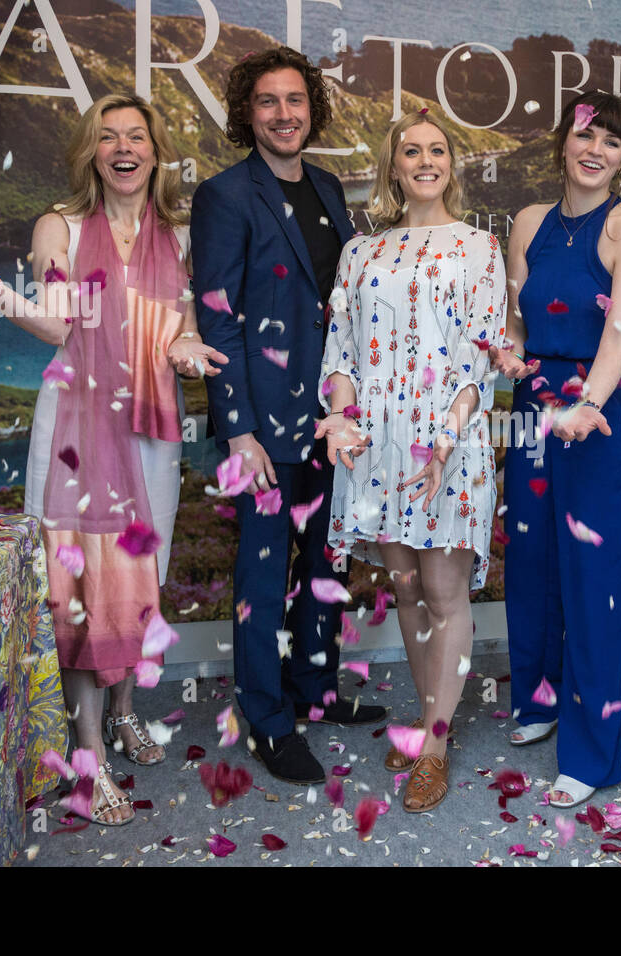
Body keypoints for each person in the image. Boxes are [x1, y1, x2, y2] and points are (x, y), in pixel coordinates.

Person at [0, 93, 225, 826]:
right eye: (108, 137)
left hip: (153, 436)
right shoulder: (60, 225)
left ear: (156, 149)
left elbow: (181, 326)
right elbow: (56, 322)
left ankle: (127, 710)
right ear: (91, 152)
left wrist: (186, 347)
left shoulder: (181, 234)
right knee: (84, 601)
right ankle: (88, 757)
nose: (123, 147)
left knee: (140, 589)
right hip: (78, 433)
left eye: (137, 135)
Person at [191, 47, 385, 787]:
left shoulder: (330, 188)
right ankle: (269, 721)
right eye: (268, 101)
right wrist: (237, 431)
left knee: (324, 563)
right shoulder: (225, 196)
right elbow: (218, 320)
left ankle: (315, 690)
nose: (283, 114)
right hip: (263, 430)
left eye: (295, 100)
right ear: (248, 113)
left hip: (329, 423)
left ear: (313, 110)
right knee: (264, 576)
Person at [317, 111, 505, 813]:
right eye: (410, 151)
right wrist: (340, 415)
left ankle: (435, 741)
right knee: (405, 588)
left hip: (447, 444)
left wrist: (446, 442)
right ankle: (434, 712)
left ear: (452, 163)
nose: (425, 161)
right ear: (393, 166)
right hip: (379, 444)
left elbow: (476, 361)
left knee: (445, 591)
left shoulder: (479, 247)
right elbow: (342, 350)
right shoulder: (359, 253)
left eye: (437, 150)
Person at [491, 92, 621, 809]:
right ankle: (540, 699)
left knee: (591, 579)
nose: (597, 151)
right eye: (588, 136)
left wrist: (590, 403)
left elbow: (620, 334)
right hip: (533, 404)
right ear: (563, 142)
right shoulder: (527, 221)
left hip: (595, 406)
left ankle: (592, 752)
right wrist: (510, 353)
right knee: (529, 560)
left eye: (614, 144)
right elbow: (516, 321)